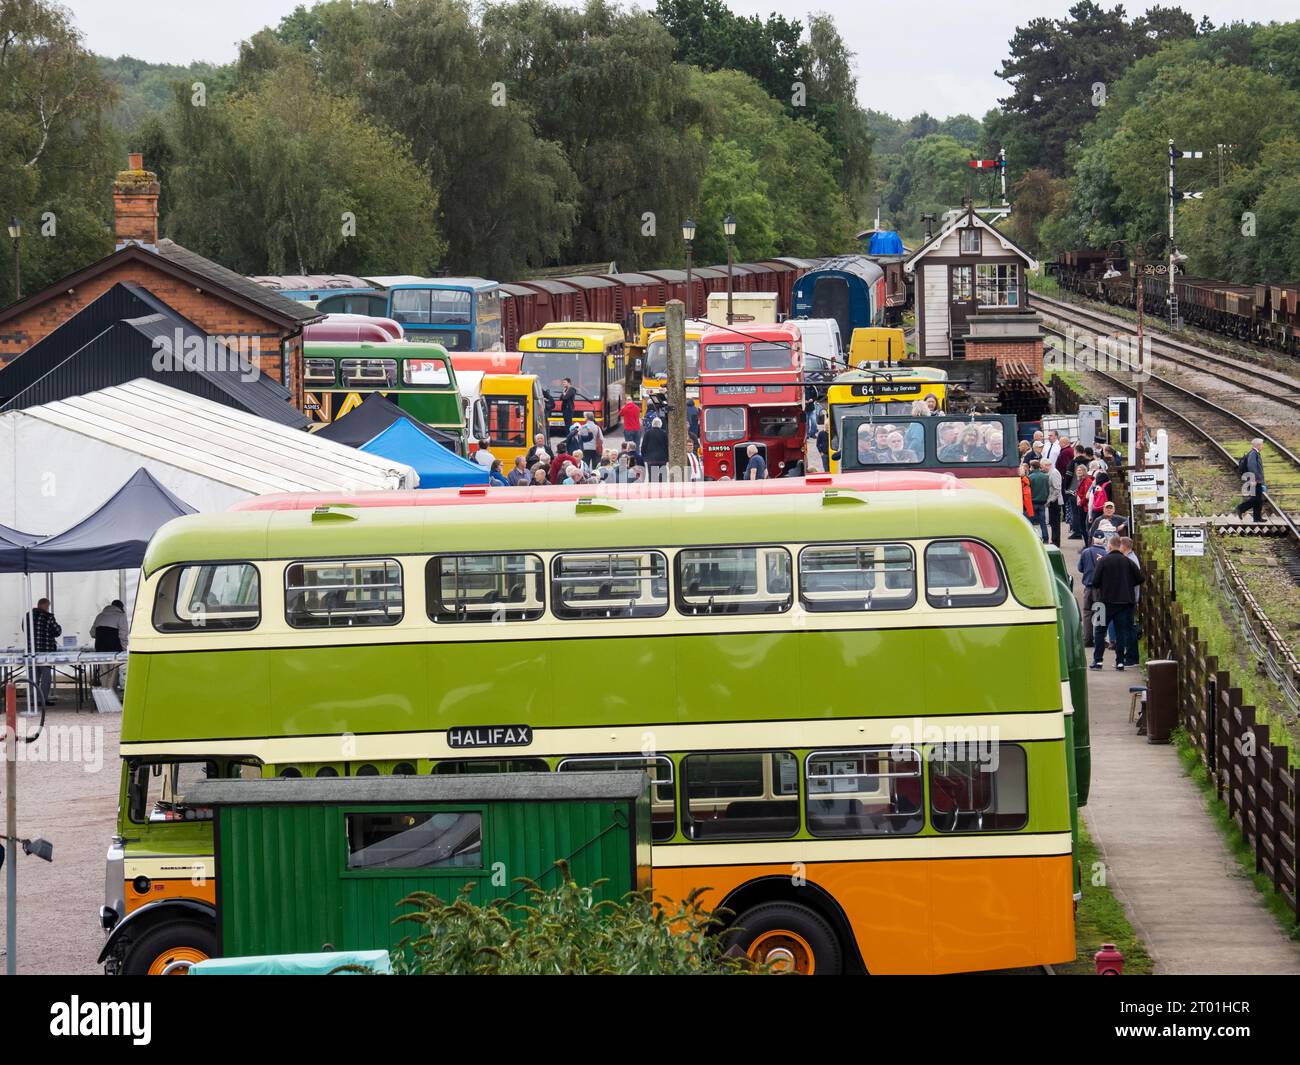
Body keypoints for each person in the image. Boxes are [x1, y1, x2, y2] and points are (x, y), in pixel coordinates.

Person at [1088, 536, 1143, 671]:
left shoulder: (1103, 561)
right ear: (1120, 546)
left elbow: (1094, 581)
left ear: (1110, 546)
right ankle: (1120, 661)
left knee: (1100, 631)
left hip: (1104, 602)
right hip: (1124, 602)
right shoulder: (1128, 561)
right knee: (1120, 632)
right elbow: (1140, 578)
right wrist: (1127, 585)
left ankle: (1098, 661)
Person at [23, 597, 61, 706]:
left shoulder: (27, 616)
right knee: (46, 677)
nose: (48, 609)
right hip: (46, 652)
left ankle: (32, 700)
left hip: (31, 651)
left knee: (32, 676)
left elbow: (24, 629)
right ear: (45, 605)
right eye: (48, 606)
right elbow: (57, 631)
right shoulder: (48, 617)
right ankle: (42, 699)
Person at [1077, 532, 1108, 648]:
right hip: (1101, 588)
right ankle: (1099, 639)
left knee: (1087, 613)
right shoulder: (1106, 554)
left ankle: (1087, 639)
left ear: (1093, 539)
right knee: (1100, 613)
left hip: (1088, 587)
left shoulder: (1086, 552)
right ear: (1104, 540)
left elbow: (1080, 568)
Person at [91, 599, 129, 690]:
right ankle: (111, 695)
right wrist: (125, 650)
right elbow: (123, 635)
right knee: (113, 675)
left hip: (100, 649)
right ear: (121, 608)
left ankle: (104, 694)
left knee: (103, 673)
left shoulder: (100, 616)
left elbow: (92, 633)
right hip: (114, 649)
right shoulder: (121, 616)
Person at [1235, 438, 1265, 522]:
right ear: (1258, 445)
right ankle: (1240, 508)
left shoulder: (1255, 453)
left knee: (1258, 500)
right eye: (1262, 444)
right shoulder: (1253, 454)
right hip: (1253, 480)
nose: (1263, 446)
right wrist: (1254, 479)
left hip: (1255, 480)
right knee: (1256, 499)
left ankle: (1257, 518)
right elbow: (1252, 467)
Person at [1027, 460, 1051, 542]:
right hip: (1042, 502)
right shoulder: (1045, 476)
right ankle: (1046, 538)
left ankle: (1032, 538)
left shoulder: (1030, 477)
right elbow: (1048, 489)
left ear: (1032, 467)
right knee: (1042, 522)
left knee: (1030, 522)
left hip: (1033, 502)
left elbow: (1028, 491)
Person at [640, 417, 669, 481]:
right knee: (663, 478)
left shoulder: (647, 433)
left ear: (652, 424)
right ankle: (662, 490)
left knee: (652, 479)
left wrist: (644, 457)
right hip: (662, 459)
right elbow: (667, 446)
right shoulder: (664, 433)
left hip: (651, 460)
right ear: (660, 424)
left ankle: (653, 490)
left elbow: (643, 446)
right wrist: (667, 458)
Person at [1071, 462, 1093, 540]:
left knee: (1085, 527)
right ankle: (1086, 544)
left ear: (1084, 471)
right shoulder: (1081, 480)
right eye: (1077, 470)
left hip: (1085, 507)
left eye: (1080, 470)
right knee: (1083, 526)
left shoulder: (1087, 481)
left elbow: (1087, 495)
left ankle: (1087, 544)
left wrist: (1081, 502)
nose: (1078, 472)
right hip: (1082, 506)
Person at [1046, 458, 1063, 547]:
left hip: (1055, 501)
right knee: (1053, 522)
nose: (1042, 468)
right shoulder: (1052, 472)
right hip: (1053, 500)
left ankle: (1056, 541)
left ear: (1047, 465)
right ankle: (1054, 539)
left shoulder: (1054, 473)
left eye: (1043, 466)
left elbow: (1057, 488)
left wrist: (1051, 500)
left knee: (1055, 522)